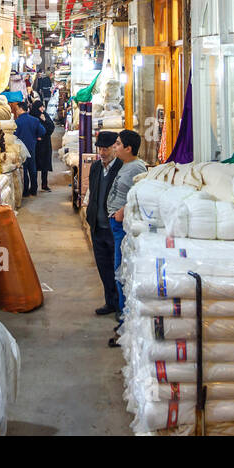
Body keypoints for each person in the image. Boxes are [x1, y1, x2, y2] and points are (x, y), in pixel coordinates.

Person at [104, 129, 146, 347]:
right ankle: (123, 321)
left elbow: (140, 195)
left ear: (129, 148)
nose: (115, 147)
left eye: (119, 144)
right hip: (116, 222)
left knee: (122, 273)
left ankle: (124, 324)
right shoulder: (126, 166)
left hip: (121, 224)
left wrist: (122, 210)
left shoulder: (137, 168)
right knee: (118, 270)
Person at [84, 131, 122, 316]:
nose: (102, 152)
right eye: (100, 149)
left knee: (117, 268)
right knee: (103, 267)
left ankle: (119, 305)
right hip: (97, 227)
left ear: (115, 147)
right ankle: (110, 302)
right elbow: (93, 192)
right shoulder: (96, 167)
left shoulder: (122, 169)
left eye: (106, 149)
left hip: (113, 228)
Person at [12, 101, 45, 198]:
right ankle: (34, 189)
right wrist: (37, 136)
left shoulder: (17, 122)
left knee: (24, 169)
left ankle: (25, 191)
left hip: (21, 149)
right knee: (32, 168)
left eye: (17, 109)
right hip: (32, 147)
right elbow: (43, 131)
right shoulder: (34, 120)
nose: (16, 111)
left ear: (21, 109)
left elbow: (14, 136)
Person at [30, 101, 55, 191]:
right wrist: (37, 136)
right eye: (40, 107)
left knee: (45, 164)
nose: (42, 109)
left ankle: (44, 184)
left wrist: (45, 120)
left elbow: (51, 128)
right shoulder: (32, 116)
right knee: (34, 165)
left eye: (42, 107)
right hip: (36, 145)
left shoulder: (45, 115)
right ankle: (34, 186)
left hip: (45, 144)